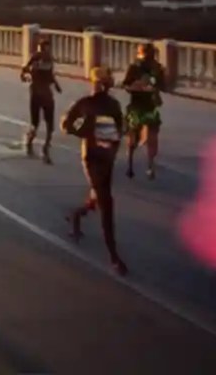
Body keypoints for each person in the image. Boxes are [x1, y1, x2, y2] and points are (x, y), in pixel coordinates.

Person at [62, 66, 129, 275]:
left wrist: (113, 147)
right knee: (106, 203)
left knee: (97, 200)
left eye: (103, 82)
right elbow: (66, 125)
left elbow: (120, 130)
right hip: (91, 158)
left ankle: (76, 215)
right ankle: (114, 256)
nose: (99, 85)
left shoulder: (113, 105)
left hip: (106, 157)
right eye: (97, 82)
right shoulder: (85, 104)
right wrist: (85, 132)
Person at [123, 42, 167, 180]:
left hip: (150, 107)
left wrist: (156, 90)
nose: (146, 56)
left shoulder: (157, 68)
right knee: (132, 138)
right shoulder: (134, 68)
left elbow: (163, 85)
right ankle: (130, 164)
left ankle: (150, 165)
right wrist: (134, 87)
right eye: (144, 52)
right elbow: (126, 84)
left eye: (149, 53)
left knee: (151, 136)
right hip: (136, 105)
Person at [20, 38, 62, 164]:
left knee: (49, 126)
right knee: (35, 123)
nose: (46, 51)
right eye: (45, 47)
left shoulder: (49, 59)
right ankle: (29, 142)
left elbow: (50, 75)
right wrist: (26, 76)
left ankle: (45, 149)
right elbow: (24, 71)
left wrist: (56, 84)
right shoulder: (36, 58)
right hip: (37, 94)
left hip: (46, 95)